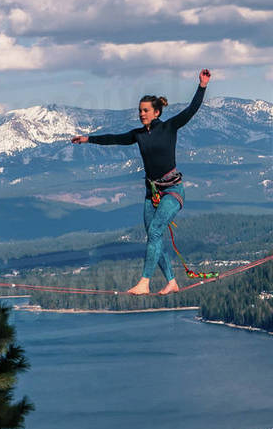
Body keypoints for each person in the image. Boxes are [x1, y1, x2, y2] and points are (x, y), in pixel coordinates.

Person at [71, 69, 211, 295]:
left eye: (145, 110)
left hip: (173, 190)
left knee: (155, 231)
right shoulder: (138, 134)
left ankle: (144, 282)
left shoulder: (169, 127)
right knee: (153, 236)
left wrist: (202, 86)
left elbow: (192, 110)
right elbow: (114, 139)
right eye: (139, 110)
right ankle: (171, 281)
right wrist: (88, 139)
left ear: (156, 112)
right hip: (152, 194)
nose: (141, 114)